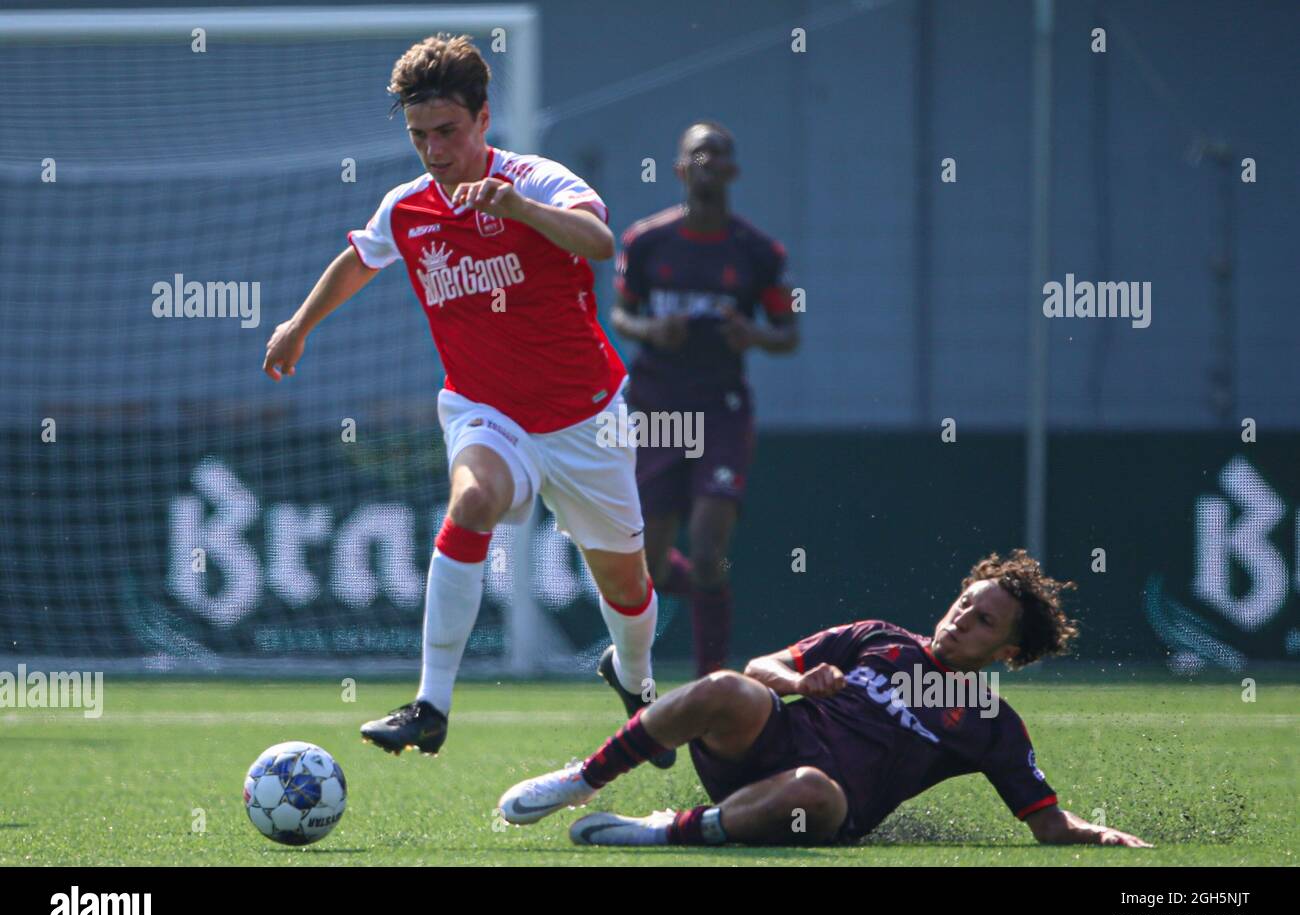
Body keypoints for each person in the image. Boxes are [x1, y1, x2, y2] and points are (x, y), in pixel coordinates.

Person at [262, 34, 671, 766]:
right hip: (487, 409)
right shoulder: (409, 207)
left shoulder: (536, 180)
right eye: (419, 136)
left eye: (447, 132)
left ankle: (634, 683)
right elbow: (360, 258)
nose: (434, 150)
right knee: (473, 502)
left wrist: (519, 209)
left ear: (484, 119)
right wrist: (298, 325)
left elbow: (601, 241)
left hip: (586, 418)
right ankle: (431, 704)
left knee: (625, 583)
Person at [498, 550, 1152, 848]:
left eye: (984, 622)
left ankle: (661, 830)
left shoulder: (991, 722)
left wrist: (1106, 837)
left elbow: (1045, 822)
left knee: (813, 789)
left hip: (817, 806)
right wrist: (795, 681)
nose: (961, 620)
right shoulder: (879, 638)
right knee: (729, 687)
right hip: (759, 747)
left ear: (1009, 653)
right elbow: (763, 665)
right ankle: (584, 778)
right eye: (964, 604)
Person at [611, 122, 798, 676]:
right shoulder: (645, 241)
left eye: (719, 154)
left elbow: (788, 333)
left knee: (711, 542)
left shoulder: (758, 252)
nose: (709, 162)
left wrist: (753, 334)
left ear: (733, 170)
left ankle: (710, 683)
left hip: (720, 408)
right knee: (647, 562)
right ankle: (701, 600)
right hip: (657, 407)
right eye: (698, 154)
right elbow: (621, 314)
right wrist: (650, 331)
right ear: (679, 168)